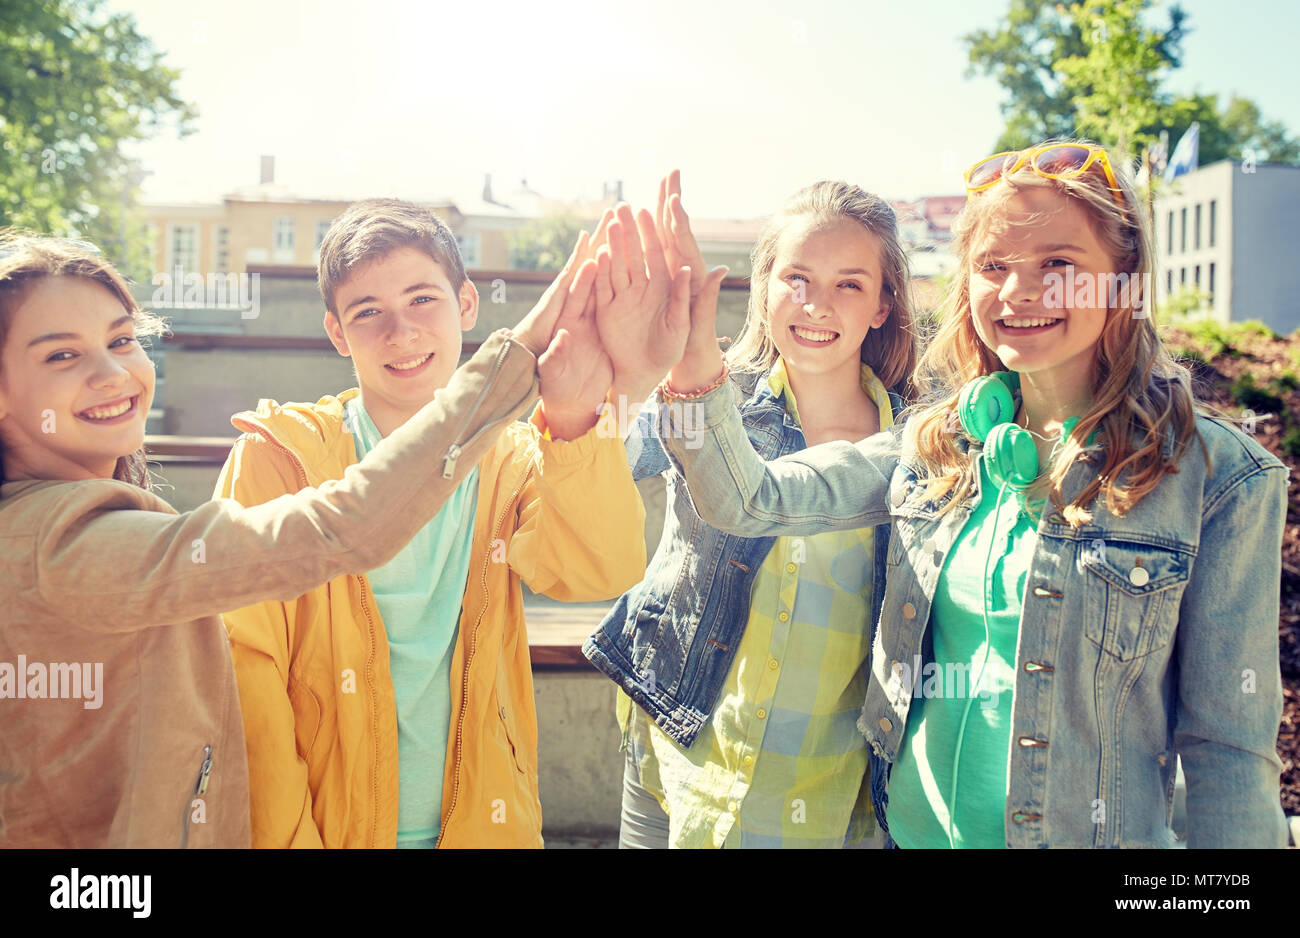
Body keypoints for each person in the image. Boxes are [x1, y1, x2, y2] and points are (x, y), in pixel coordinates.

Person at [649, 143, 1290, 848]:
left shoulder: (1220, 480)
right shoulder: (938, 446)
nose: (1018, 293)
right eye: (993, 267)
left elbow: (1229, 756)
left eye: (1058, 265)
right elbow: (749, 500)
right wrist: (693, 358)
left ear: (1122, 280)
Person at [0, 229, 619, 847]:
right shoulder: (54, 541)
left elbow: (597, 567)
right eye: (61, 355)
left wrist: (575, 421)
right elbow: (343, 529)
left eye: (122, 340)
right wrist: (518, 359)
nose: (112, 372)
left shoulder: (85, 519)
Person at [216, 199, 674, 848]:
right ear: (337, 332)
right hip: (325, 830)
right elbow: (244, 669)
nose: (400, 333)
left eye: (422, 300)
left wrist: (574, 421)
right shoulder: (279, 455)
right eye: (367, 312)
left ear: (466, 305)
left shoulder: (512, 456)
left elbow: (597, 571)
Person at [584, 173, 918, 847]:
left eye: (849, 284)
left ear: (883, 305)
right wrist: (621, 367)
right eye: (796, 278)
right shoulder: (708, 394)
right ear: (763, 288)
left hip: (830, 787)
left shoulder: (920, 440)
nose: (817, 304)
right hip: (677, 749)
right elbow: (602, 458)